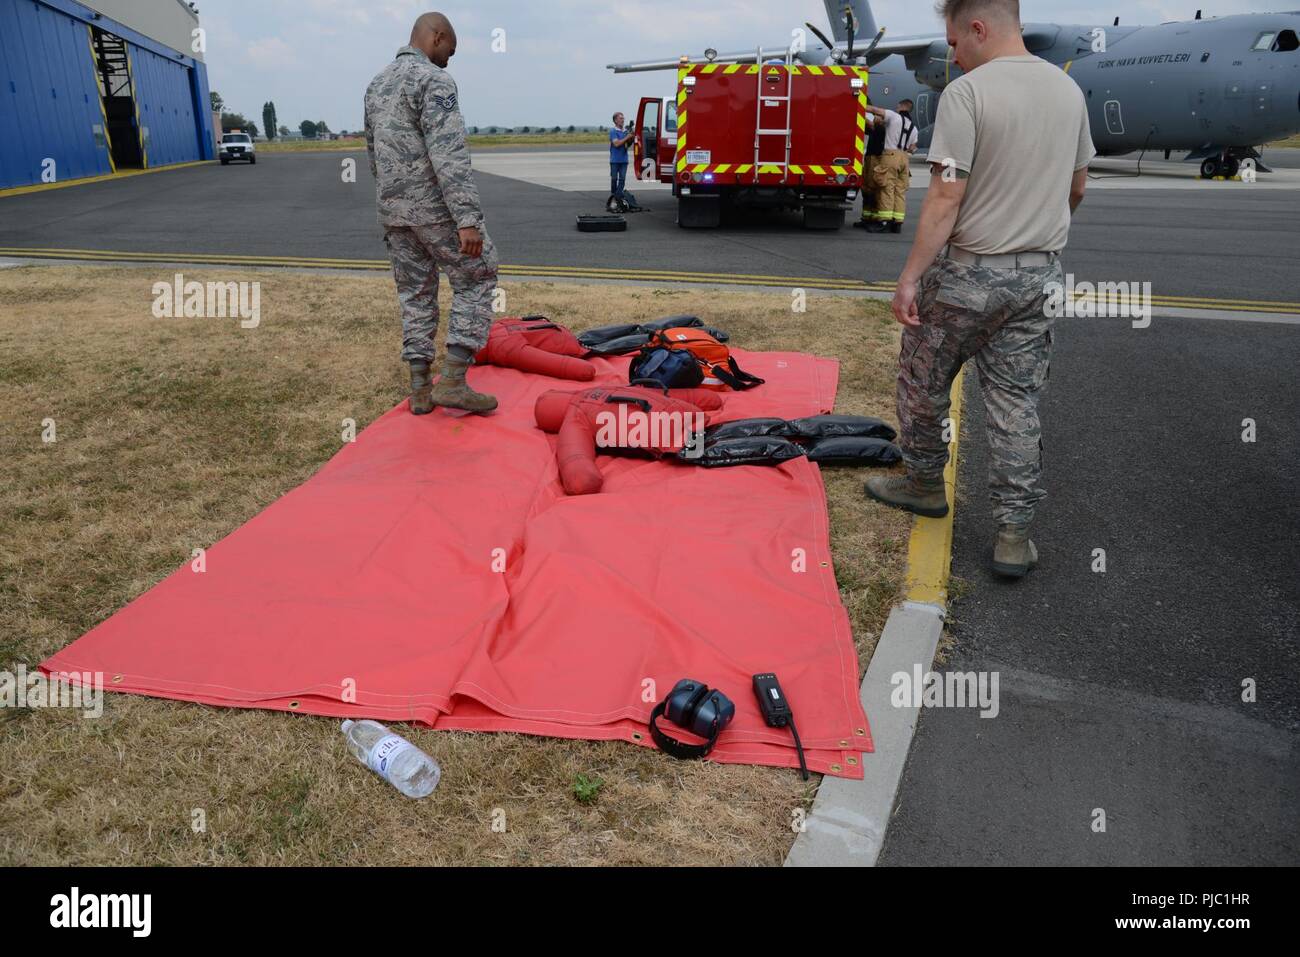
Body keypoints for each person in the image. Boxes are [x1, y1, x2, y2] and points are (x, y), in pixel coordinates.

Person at [864, 0, 1094, 579]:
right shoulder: (1069, 91)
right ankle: (1013, 534)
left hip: (970, 272)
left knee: (923, 377)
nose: (953, 55)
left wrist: (910, 278)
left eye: (955, 42)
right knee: (1015, 403)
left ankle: (922, 483)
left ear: (978, 28)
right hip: (1039, 275)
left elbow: (946, 197)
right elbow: (1078, 188)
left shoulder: (967, 95)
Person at [364, 11, 498, 415]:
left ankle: (421, 388)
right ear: (437, 36)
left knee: (415, 294)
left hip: (395, 212)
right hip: (434, 209)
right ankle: (454, 380)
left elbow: (373, 154)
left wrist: (393, 203)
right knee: (478, 276)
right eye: (449, 51)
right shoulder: (433, 80)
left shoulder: (376, 84)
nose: (448, 60)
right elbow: (449, 154)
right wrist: (468, 220)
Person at [862, 99, 918, 233]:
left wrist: (859, 104)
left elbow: (875, 110)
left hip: (890, 155)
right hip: (905, 158)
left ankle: (885, 222)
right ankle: (897, 223)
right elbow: (913, 147)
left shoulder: (894, 116)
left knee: (886, 188)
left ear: (901, 106)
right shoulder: (913, 127)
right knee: (899, 191)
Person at [853, 100, 888, 229]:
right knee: (867, 189)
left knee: (872, 188)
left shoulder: (880, 127)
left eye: (878, 117)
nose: (876, 118)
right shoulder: (877, 127)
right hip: (870, 158)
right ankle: (867, 217)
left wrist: (859, 111)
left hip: (875, 159)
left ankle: (873, 218)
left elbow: (870, 125)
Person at [609, 113, 635, 206]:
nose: (623, 120)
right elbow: (616, 144)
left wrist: (632, 137)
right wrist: (627, 137)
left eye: (623, 118)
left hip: (624, 160)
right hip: (615, 160)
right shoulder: (613, 131)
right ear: (615, 120)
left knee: (622, 179)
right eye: (620, 118)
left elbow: (627, 145)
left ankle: (617, 197)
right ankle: (614, 195)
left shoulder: (625, 131)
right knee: (614, 179)